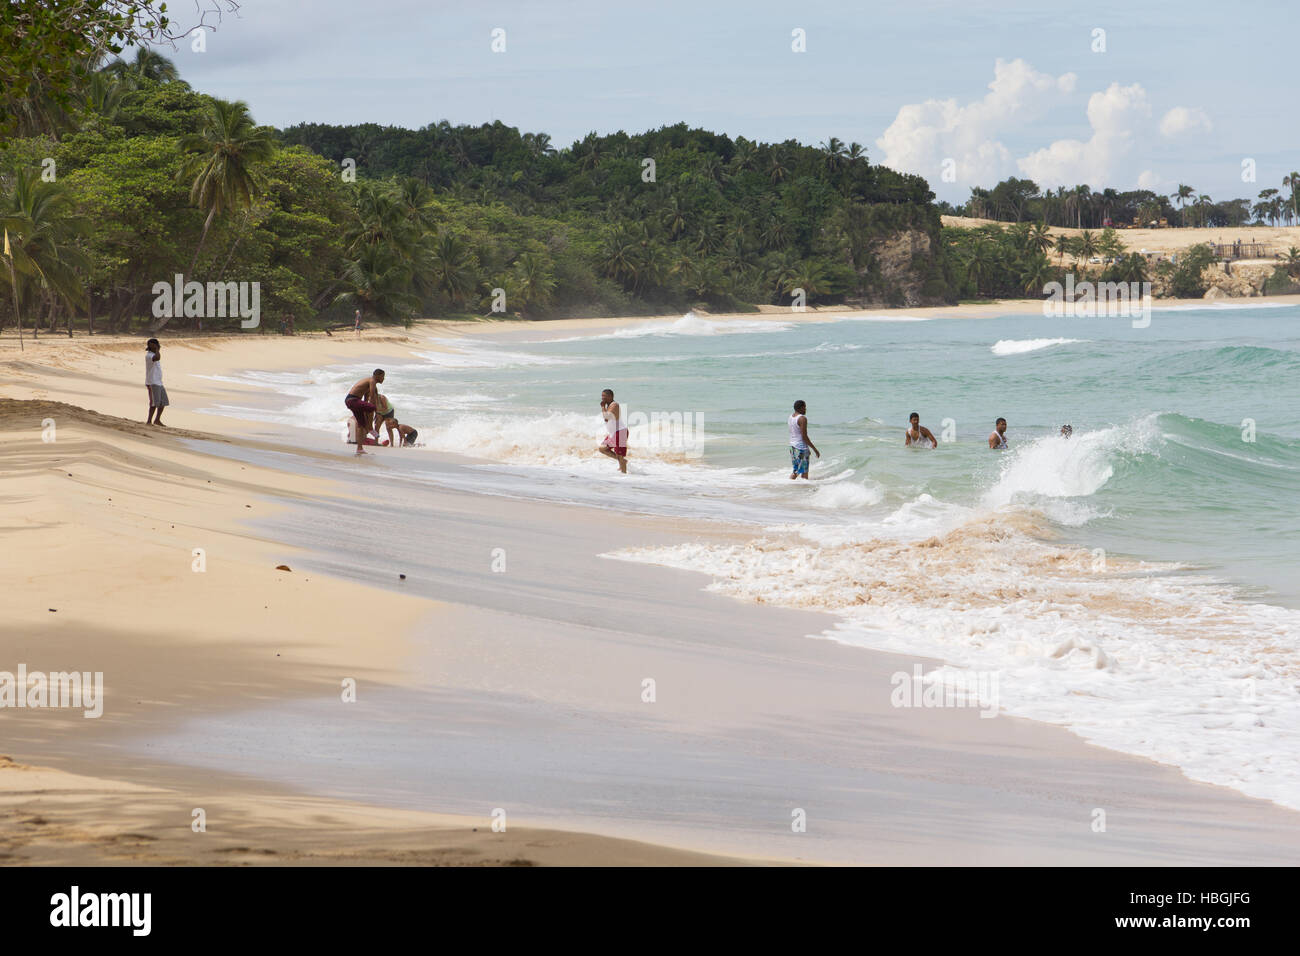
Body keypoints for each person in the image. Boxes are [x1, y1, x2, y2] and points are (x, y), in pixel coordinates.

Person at [345, 369, 384, 455]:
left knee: (361, 425)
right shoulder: (372, 380)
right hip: (352, 400)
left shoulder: (369, 383)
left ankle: (359, 448)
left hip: (352, 401)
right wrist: (375, 410)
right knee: (372, 407)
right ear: (378, 376)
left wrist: (367, 414)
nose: (383, 379)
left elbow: (366, 400)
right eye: (383, 376)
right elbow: (372, 397)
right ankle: (370, 427)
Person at [597, 388, 628, 473]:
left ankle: (625, 477)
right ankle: (622, 462)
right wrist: (604, 407)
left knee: (620, 455)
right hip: (613, 433)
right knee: (602, 449)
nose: (602, 398)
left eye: (604, 396)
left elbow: (606, 417)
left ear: (611, 396)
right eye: (602, 396)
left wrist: (603, 407)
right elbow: (607, 419)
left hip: (620, 432)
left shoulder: (614, 405)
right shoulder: (608, 406)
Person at [789, 400, 820, 479]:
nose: (805, 409)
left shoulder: (791, 417)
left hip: (792, 447)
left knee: (796, 470)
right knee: (804, 472)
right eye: (805, 407)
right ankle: (805, 490)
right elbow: (804, 437)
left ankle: (789, 486)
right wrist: (814, 449)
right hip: (801, 448)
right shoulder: (802, 418)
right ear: (801, 408)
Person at [144, 338, 168, 426]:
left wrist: (157, 349)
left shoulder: (154, 354)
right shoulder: (149, 355)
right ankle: (149, 421)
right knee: (153, 403)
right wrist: (157, 349)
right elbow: (157, 358)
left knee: (163, 402)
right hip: (152, 382)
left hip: (159, 382)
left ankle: (157, 420)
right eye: (151, 345)